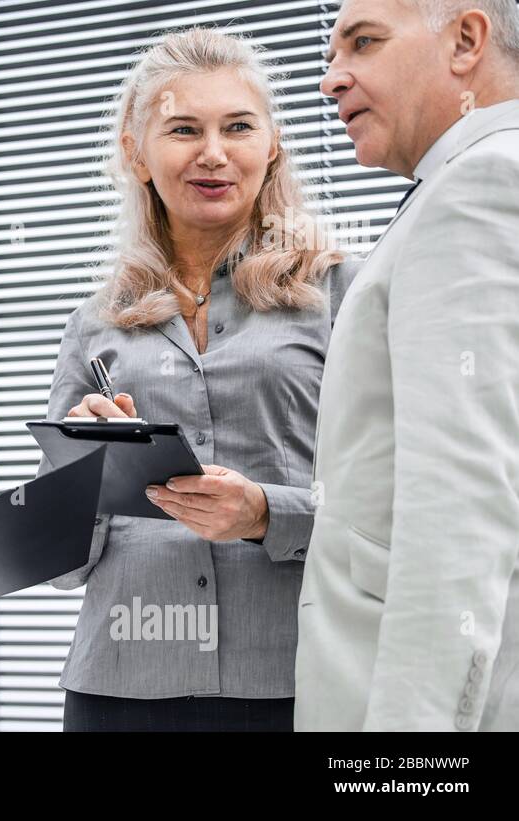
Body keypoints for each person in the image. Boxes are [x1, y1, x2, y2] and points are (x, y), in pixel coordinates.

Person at [42, 28, 360, 731]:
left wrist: (269, 514)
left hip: (295, 682)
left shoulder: (346, 292)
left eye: (238, 127)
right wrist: (85, 478)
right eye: (183, 128)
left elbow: (395, 502)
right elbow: (60, 562)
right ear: (136, 152)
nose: (213, 153)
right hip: (119, 691)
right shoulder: (96, 322)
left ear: (271, 143)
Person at [296, 0, 519, 731]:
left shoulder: (477, 191)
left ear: (465, 41)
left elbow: (459, 508)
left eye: (362, 42)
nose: (332, 80)